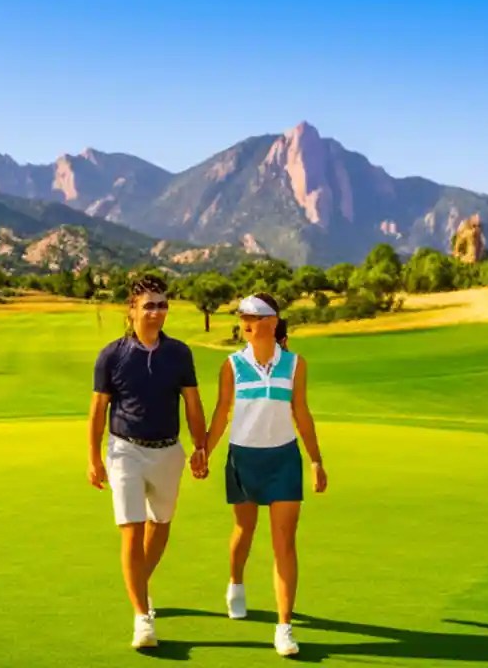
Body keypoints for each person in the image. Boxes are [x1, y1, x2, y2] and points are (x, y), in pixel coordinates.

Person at [88, 274, 209, 649]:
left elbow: (192, 402)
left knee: (161, 524)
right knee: (132, 528)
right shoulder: (112, 354)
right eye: (149, 305)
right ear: (132, 309)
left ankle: (140, 583)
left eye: (162, 304)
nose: (156, 312)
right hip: (125, 449)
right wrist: (94, 457)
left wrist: (200, 447)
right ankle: (143, 619)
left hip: (168, 451)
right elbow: (97, 410)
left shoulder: (179, 353)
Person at [205, 293, 328, 656]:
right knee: (244, 530)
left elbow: (301, 413)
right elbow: (221, 413)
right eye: (242, 315)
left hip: (284, 460)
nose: (245, 321)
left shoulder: (294, 365)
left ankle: (284, 626)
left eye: (254, 315)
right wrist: (203, 452)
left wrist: (316, 460)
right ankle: (236, 583)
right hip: (243, 459)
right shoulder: (231, 365)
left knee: (284, 543)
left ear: (273, 322)